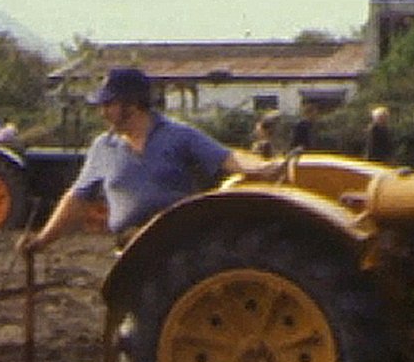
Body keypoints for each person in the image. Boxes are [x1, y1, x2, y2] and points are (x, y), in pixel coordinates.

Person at [18, 67, 276, 254]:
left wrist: (264, 167)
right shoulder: (103, 147)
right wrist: (42, 240)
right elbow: (77, 198)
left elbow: (227, 157)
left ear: (132, 104)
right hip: (130, 247)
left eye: (109, 104)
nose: (103, 112)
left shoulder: (179, 134)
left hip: (177, 245)